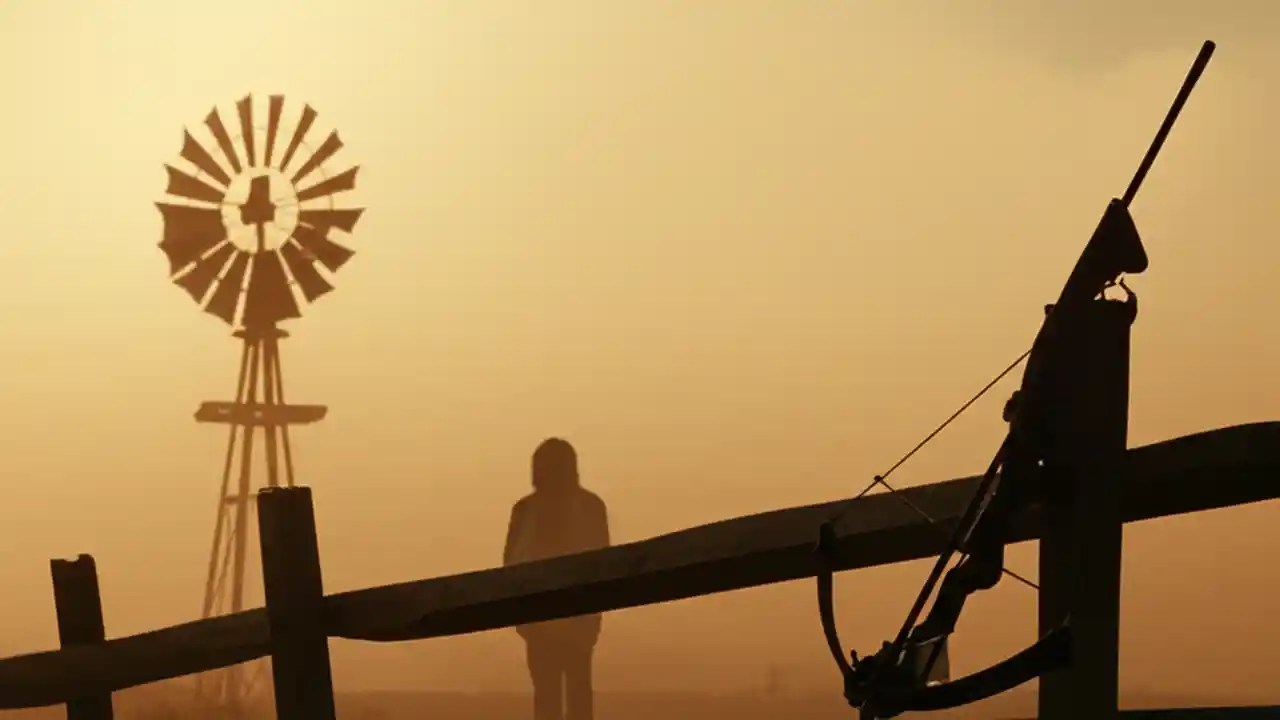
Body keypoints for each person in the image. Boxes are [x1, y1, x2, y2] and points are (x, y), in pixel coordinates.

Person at [503, 438, 610, 720]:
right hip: (542, 620)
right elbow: (510, 566)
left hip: (575, 619)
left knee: (573, 697)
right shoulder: (526, 510)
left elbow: (604, 565)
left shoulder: (588, 507)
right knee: (551, 698)